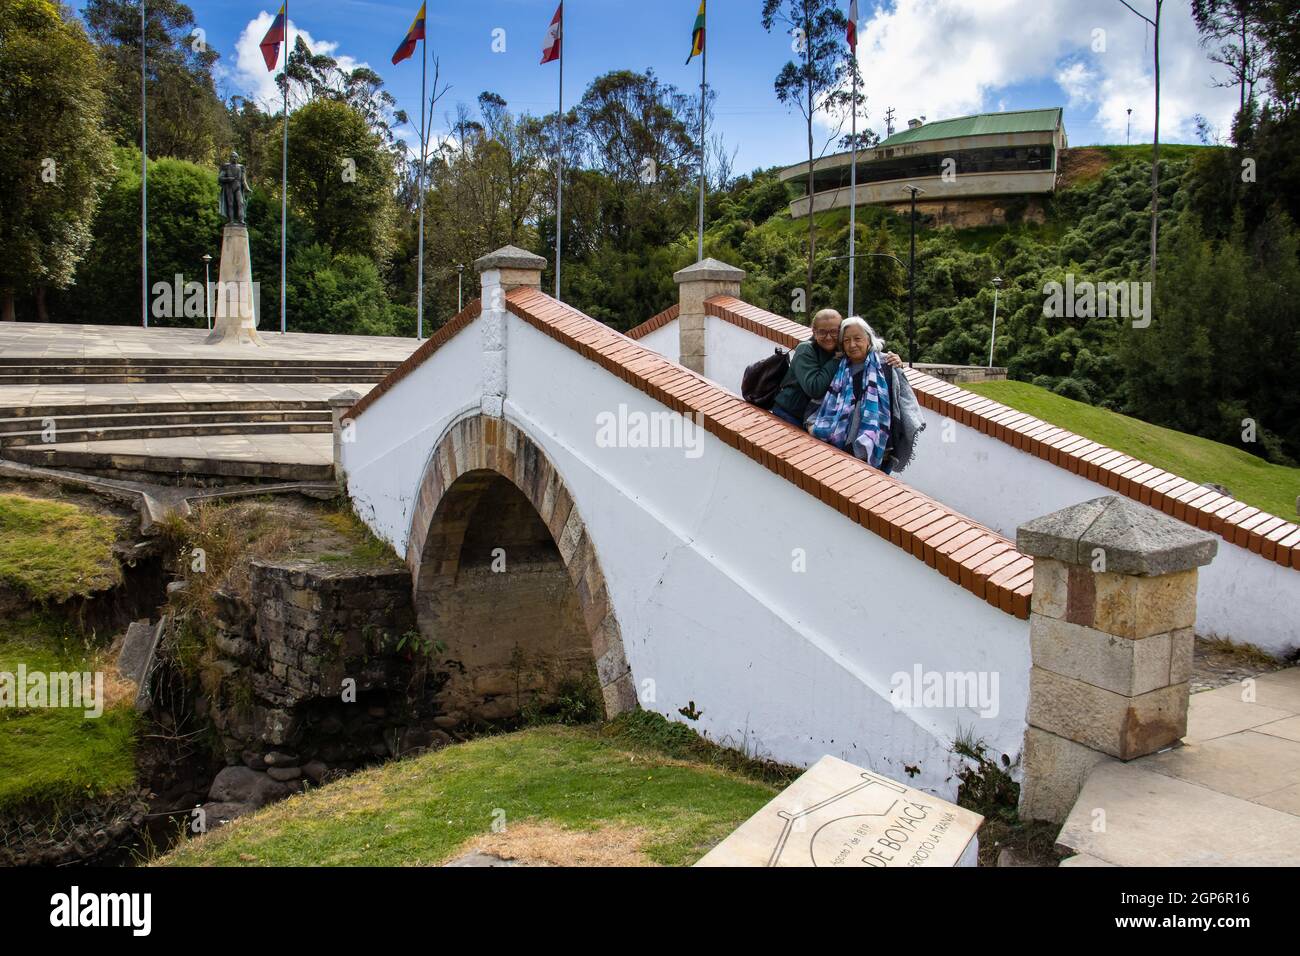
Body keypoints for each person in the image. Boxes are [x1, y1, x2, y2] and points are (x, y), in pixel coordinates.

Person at [806, 317, 925, 474]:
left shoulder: (887, 364)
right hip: (843, 450)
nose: (852, 344)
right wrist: (813, 425)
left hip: (882, 450)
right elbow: (823, 400)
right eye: (847, 340)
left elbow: (905, 399)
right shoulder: (840, 368)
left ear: (869, 339)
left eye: (857, 339)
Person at [771, 309, 902, 427]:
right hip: (790, 414)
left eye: (834, 332)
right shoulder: (806, 350)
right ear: (814, 332)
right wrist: (836, 360)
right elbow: (814, 389)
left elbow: (867, 354)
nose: (828, 337)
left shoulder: (844, 348)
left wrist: (893, 360)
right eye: (822, 332)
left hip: (818, 418)